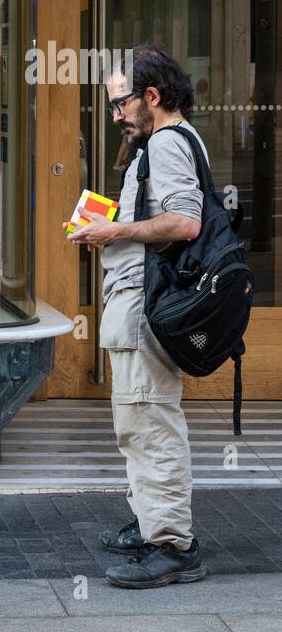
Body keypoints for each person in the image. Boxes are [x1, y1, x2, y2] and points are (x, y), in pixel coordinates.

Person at [67, 43, 209, 589]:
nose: (116, 115)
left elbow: (184, 223)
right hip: (137, 299)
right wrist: (112, 220)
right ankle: (154, 521)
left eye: (120, 103)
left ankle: (173, 545)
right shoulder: (162, 143)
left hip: (145, 303)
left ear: (152, 96)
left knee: (149, 422)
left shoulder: (168, 143)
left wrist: (114, 231)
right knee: (139, 422)